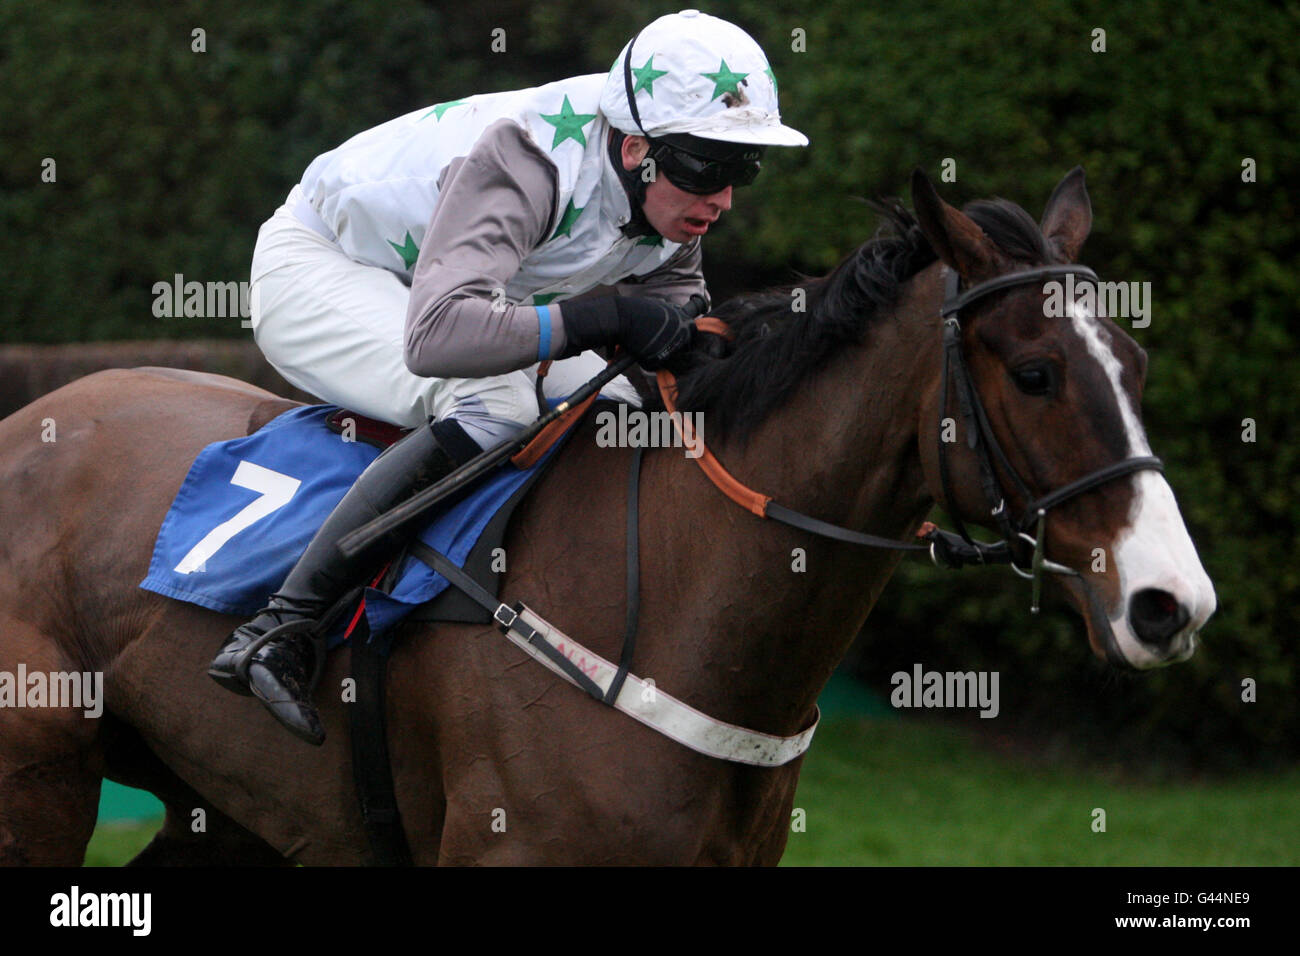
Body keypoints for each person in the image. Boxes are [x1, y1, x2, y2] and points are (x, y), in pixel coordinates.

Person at [207, 9, 808, 744]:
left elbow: (669, 337)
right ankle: (283, 626)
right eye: (708, 169)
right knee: (492, 400)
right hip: (326, 267)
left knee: (622, 406)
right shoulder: (526, 160)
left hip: (465, 292)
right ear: (633, 148)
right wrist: (596, 318)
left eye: (742, 167)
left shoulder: (664, 197)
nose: (724, 198)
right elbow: (438, 337)